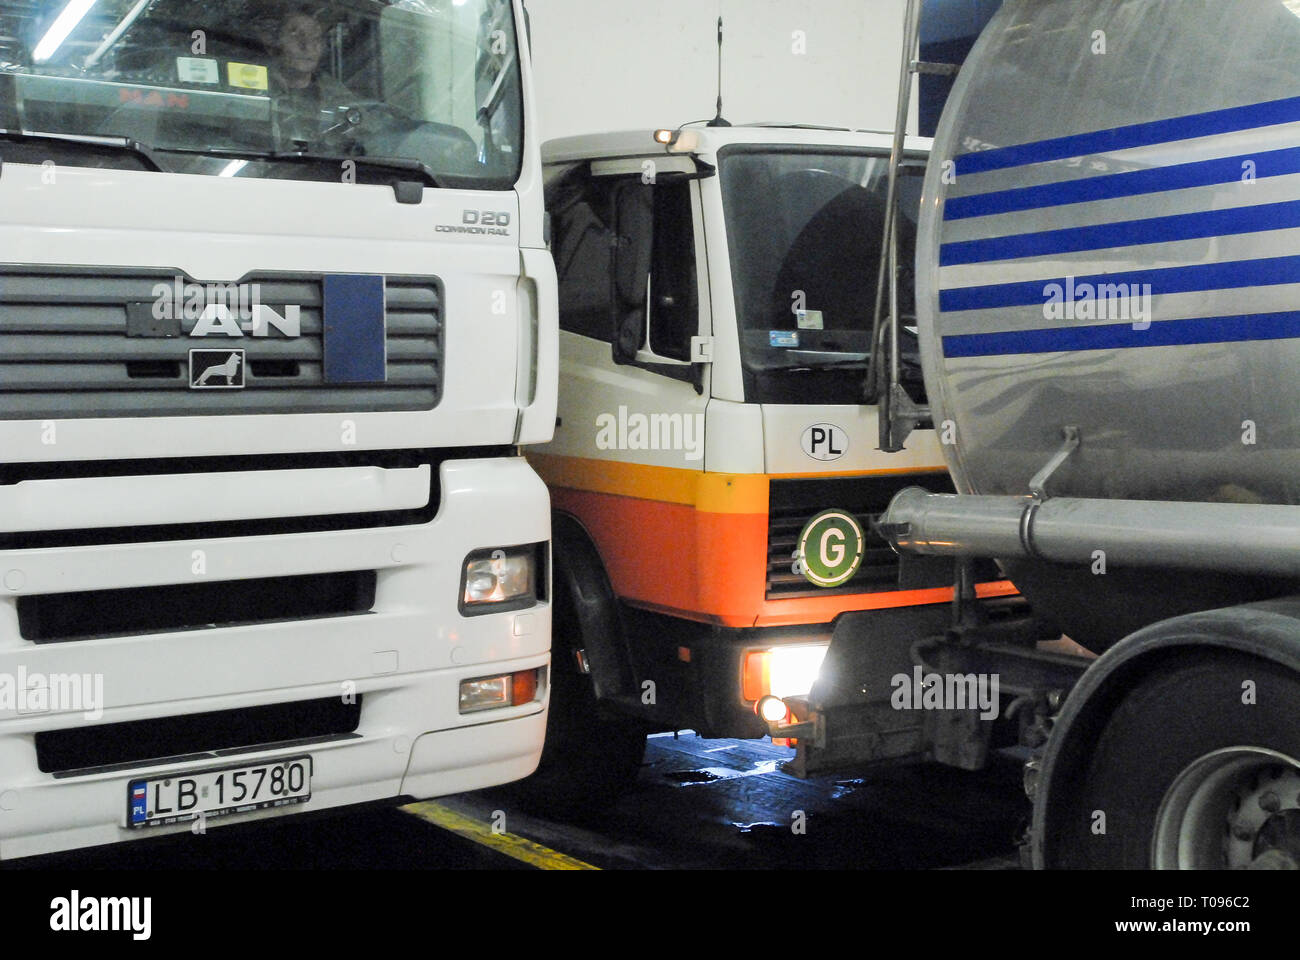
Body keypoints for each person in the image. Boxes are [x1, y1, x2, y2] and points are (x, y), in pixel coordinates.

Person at [265, 6, 358, 146]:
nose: (307, 46)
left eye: (315, 37)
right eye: (295, 35)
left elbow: (368, 135)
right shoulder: (255, 88)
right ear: (275, 43)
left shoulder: (337, 94)